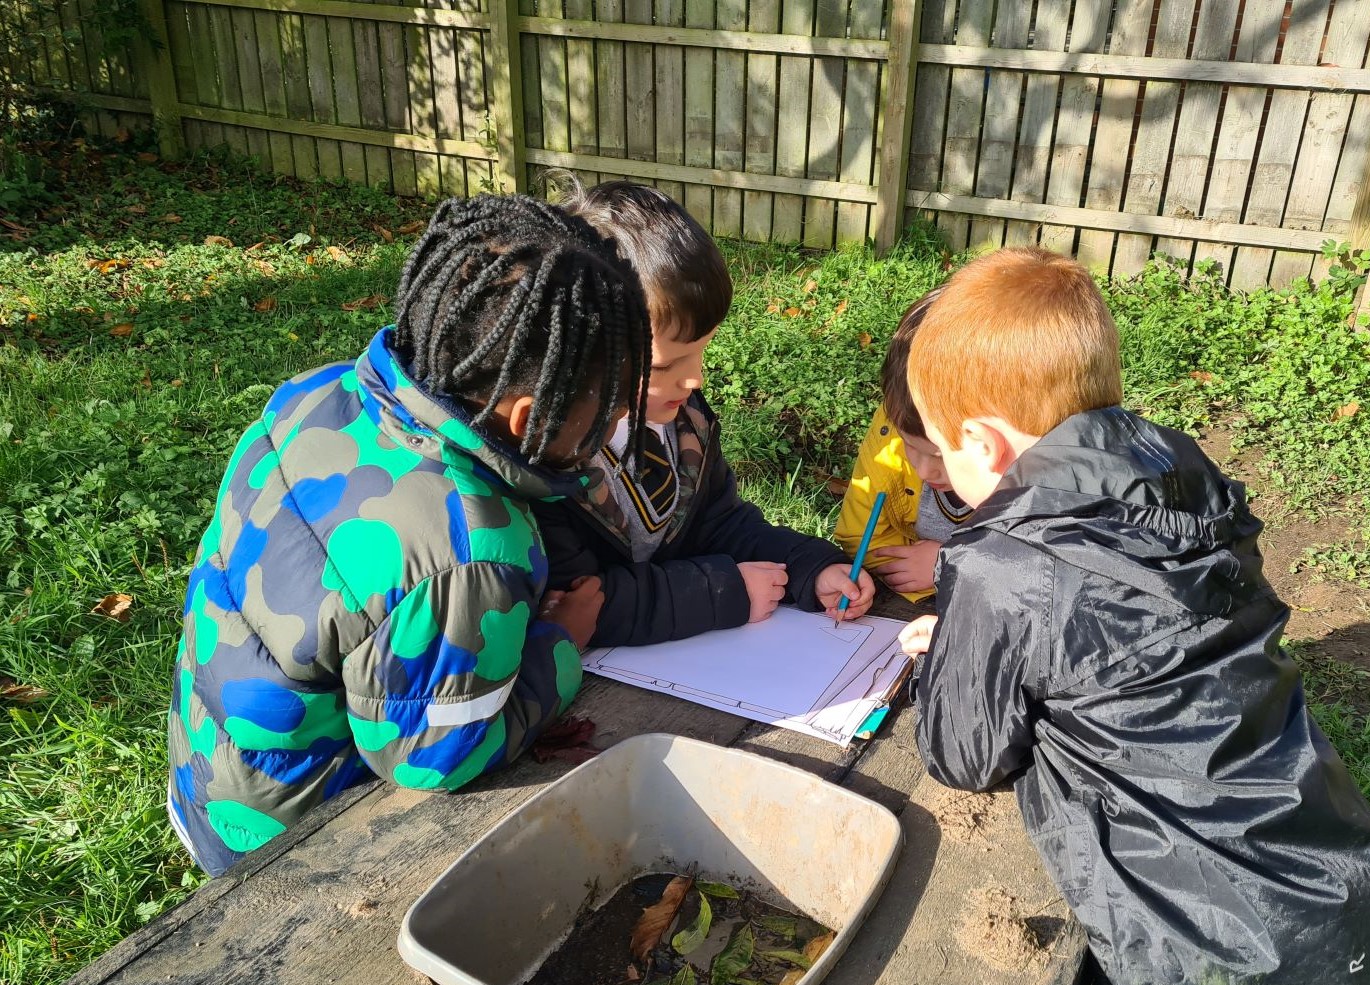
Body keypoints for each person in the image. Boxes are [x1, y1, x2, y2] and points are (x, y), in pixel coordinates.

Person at [897, 248, 1370, 985]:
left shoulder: (1004, 567)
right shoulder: (1176, 470)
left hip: (1209, 930)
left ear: (983, 443)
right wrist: (985, 643)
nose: (945, 486)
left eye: (940, 449)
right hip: (1304, 852)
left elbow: (965, 758)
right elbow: (1126, 636)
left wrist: (956, 656)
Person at [167, 194, 649, 875]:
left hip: (207, 777)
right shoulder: (470, 551)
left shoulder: (313, 392)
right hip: (292, 844)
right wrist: (561, 644)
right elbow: (433, 757)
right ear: (523, 419)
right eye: (603, 419)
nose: (609, 438)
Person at [536, 180, 873, 646]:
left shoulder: (684, 422)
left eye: (702, 352)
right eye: (665, 364)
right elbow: (578, 601)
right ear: (582, 351)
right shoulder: (548, 462)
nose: (695, 380)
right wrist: (722, 593)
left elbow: (720, 523)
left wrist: (808, 565)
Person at [833, 286, 974, 602]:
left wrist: (950, 566)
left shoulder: (1041, 468)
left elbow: (1039, 564)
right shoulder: (895, 424)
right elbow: (861, 537)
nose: (924, 470)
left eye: (939, 453)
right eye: (911, 446)